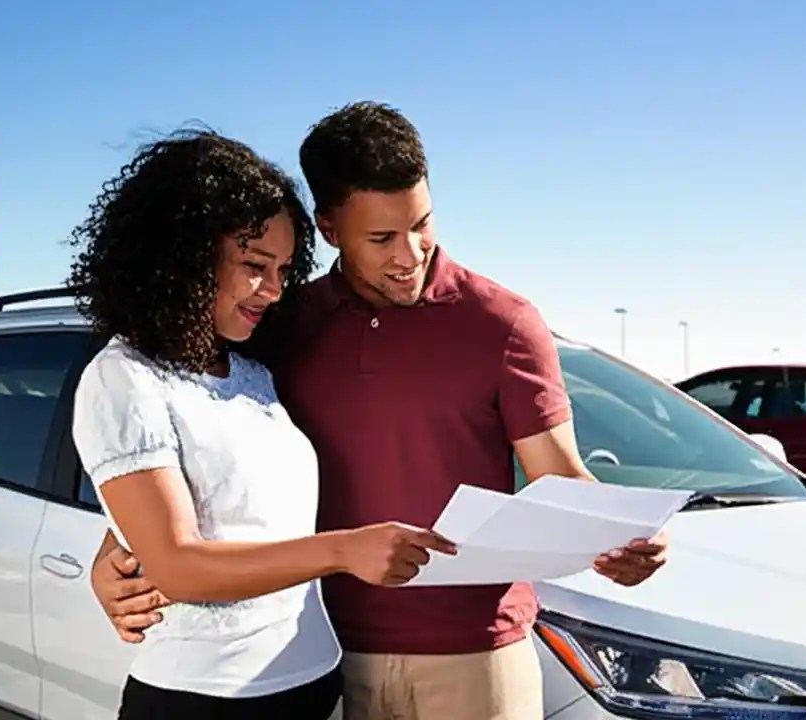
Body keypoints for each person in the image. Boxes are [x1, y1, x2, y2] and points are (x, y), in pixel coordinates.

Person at [88, 103, 670, 720]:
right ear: (331, 228)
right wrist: (119, 546)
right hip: (323, 656)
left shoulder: (503, 323)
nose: (410, 254)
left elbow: (558, 475)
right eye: (382, 238)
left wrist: (622, 534)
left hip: (473, 658)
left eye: (422, 224)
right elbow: (211, 448)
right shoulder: (282, 324)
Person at [67, 129, 458, 719]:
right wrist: (343, 550)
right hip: (205, 702)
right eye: (254, 265)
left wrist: (117, 541)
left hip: (313, 683)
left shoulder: (252, 370)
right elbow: (177, 564)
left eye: (282, 268)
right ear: (184, 256)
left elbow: (226, 497)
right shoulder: (123, 379)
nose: (274, 290)